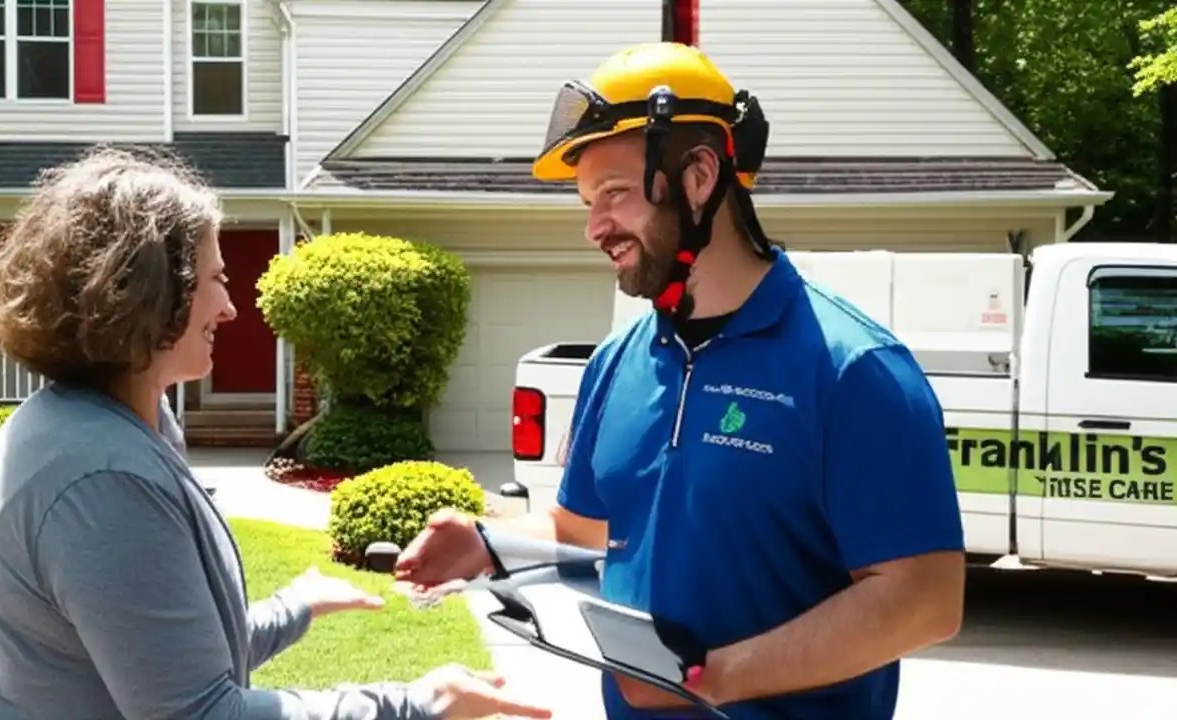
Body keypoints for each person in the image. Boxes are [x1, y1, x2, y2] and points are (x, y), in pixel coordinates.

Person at [393, 42, 967, 720]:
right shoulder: (617, 362)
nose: (594, 227)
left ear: (699, 177)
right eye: (586, 202)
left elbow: (923, 600)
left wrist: (711, 678)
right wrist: (488, 545)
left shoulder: (852, 369)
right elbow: (584, 532)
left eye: (614, 195)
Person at [0, 146, 552, 720]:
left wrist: (292, 608)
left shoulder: (109, 424)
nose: (229, 308)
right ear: (144, 294)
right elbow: (199, 711)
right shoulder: (101, 479)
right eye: (216, 279)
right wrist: (420, 704)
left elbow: (163, 653)